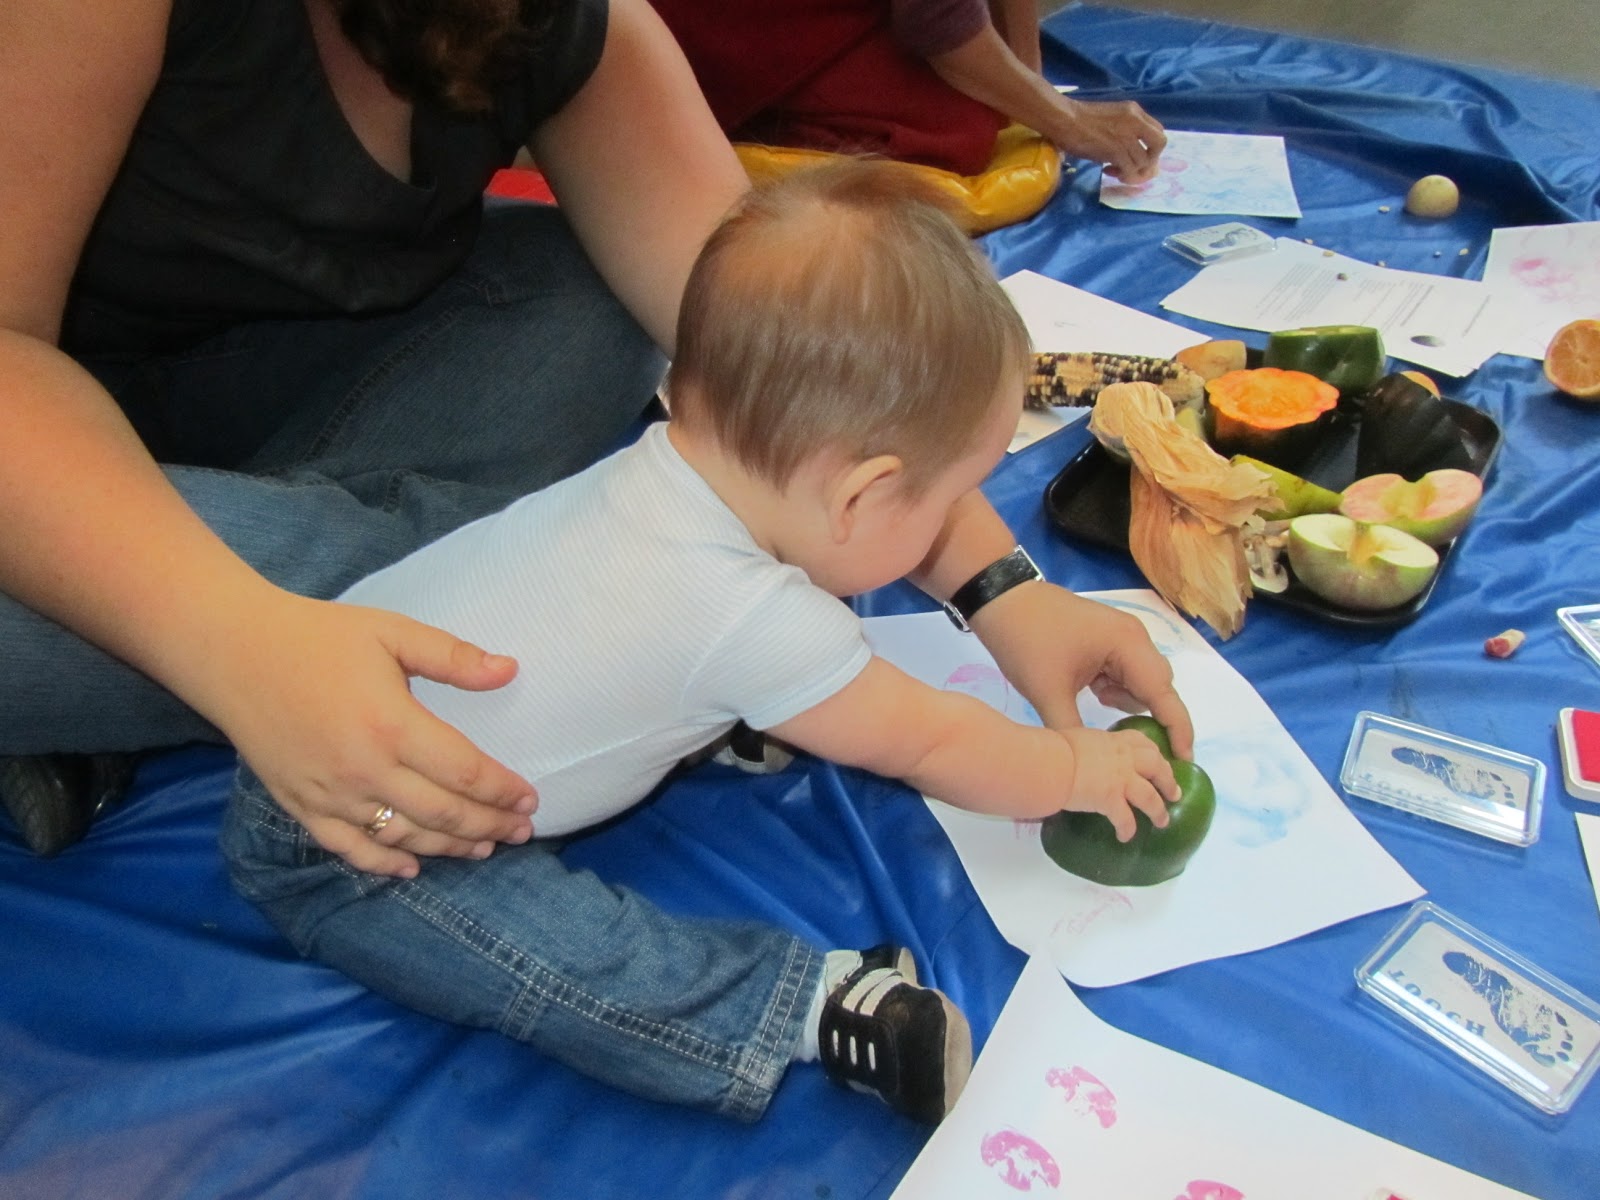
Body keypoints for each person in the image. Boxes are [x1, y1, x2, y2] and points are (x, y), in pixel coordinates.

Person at [222, 160, 1195, 1125]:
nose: (954, 523)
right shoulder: (755, 618)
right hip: (338, 832)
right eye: (943, 501)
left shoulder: (664, 467)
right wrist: (1072, 768)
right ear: (858, 493)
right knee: (563, 959)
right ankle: (793, 1008)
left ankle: (712, 725)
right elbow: (939, 742)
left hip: (332, 672)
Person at [0, 0, 748, 864]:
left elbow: (778, 349)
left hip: (221, 410)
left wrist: (939, 538)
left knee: (582, 295)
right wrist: (245, 644)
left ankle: (117, 678)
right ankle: (405, 606)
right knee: (548, 583)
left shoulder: (574, 28)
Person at [647, 0, 1167, 182]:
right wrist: (1066, 119)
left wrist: (1032, 90)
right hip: (693, 33)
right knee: (953, 130)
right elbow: (937, 23)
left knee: (995, 100)